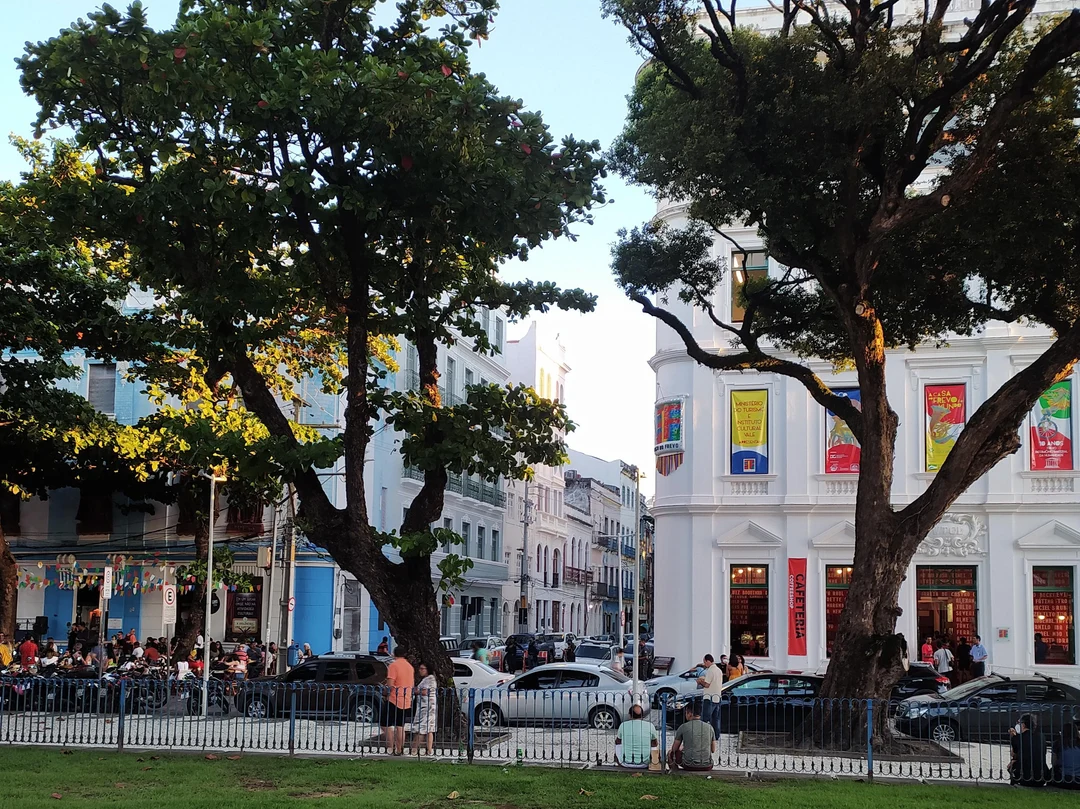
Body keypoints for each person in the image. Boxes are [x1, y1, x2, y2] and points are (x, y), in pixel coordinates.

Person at [382, 647, 415, 756]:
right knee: (400, 725)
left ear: (394, 654)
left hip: (394, 698)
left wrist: (386, 692)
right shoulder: (410, 667)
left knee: (385, 723)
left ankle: (391, 746)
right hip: (406, 698)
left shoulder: (393, 666)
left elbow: (390, 684)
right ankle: (400, 749)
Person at [668, 699, 717, 771]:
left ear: (689, 713)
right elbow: (713, 750)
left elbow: (674, 749)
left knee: (670, 753)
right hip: (707, 765)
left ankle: (674, 772)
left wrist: (683, 748)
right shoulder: (710, 727)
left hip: (689, 765)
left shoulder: (683, 727)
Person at [614, 704, 658, 769]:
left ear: (630, 715)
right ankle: (654, 762)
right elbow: (655, 743)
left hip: (625, 762)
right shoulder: (650, 725)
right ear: (643, 715)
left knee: (618, 744)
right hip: (645, 763)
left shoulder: (623, 725)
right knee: (654, 746)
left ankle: (620, 762)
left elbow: (618, 742)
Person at [1010, 713, 1048, 787]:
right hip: (1041, 777)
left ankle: (1014, 781)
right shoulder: (1041, 736)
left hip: (1025, 777)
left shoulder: (1018, 738)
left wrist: (1013, 737)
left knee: (1011, 764)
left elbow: (1013, 754)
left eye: (1019, 723)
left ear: (1023, 724)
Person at [413, 662, 438, 756]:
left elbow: (424, 692)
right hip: (428, 706)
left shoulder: (429, 679)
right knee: (429, 728)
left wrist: (416, 691)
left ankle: (415, 749)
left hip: (426, 707)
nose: (420, 670)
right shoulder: (427, 679)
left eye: (422, 669)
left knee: (422, 728)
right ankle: (429, 750)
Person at [1051, 723, 1080, 788]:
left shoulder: (1058, 743)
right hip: (1078, 780)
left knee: (1052, 770)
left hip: (1063, 780)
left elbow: (1054, 762)